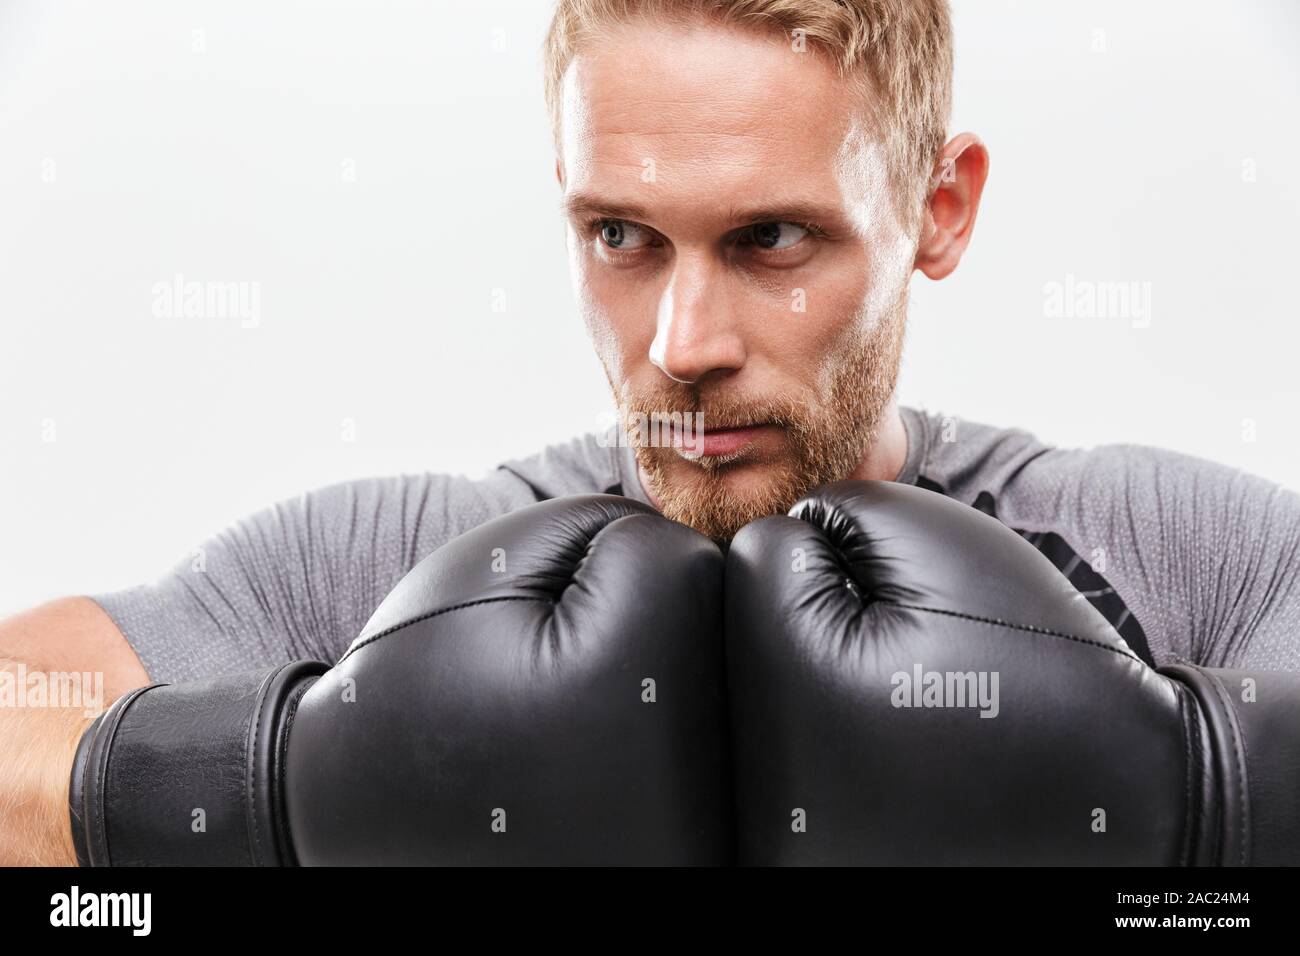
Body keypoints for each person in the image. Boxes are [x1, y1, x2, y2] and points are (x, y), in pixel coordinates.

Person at [3, 0, 1297, 865]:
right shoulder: (393, 571)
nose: (683, 343)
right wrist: (281, 778)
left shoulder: (1169, 551)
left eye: (770, 238)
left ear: (939, 208)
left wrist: (1201, 780)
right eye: (620, 236)